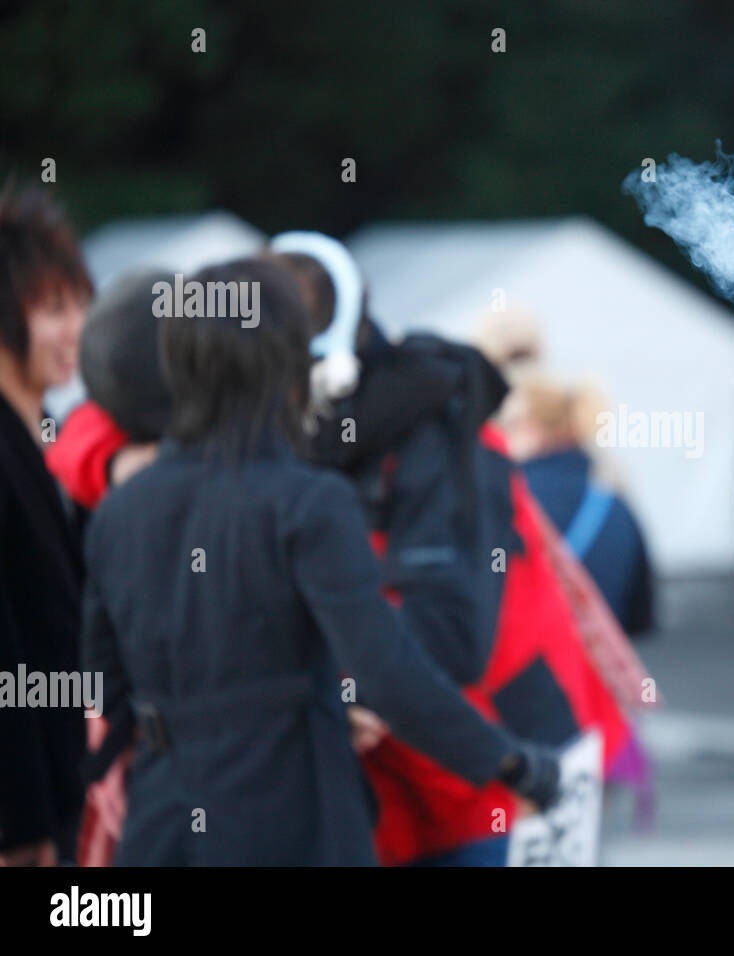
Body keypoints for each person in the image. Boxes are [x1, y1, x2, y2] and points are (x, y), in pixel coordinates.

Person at [79, 258, 559, 865]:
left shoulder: (121, 510)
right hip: (292, 822)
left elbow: (100, 685)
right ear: (287, 365)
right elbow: (386, 672)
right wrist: (511, 763)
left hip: (164, 827)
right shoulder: (307, 503)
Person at [263, 239, 635, 866]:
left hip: (502, 773)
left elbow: (451, 631)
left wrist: (339, 687)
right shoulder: (319, 446)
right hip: (400, 778)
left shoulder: (442, 431)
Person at [0, 183, 93, 866]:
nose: (75, 330)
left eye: (80, 306)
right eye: (54, 310)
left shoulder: (52, 436)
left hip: (70, 793)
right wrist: (18, 826)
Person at [500, 377, 655, 637]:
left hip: (527, 654)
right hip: (593, 658)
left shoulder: (506, 501)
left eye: (510, 426)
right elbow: (640, 615)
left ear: (532, 431)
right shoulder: (613, 505)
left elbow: (493, 573)